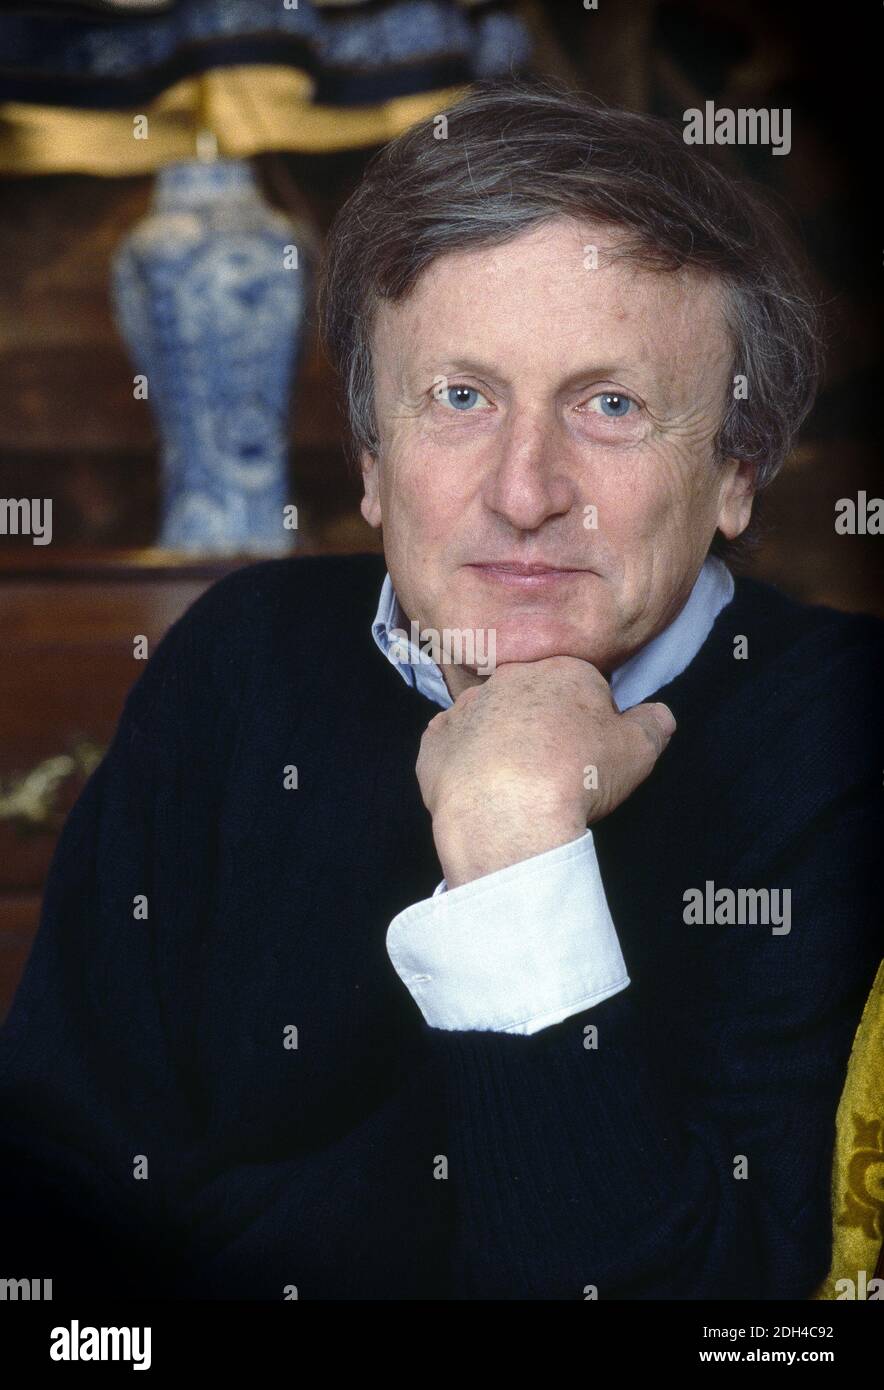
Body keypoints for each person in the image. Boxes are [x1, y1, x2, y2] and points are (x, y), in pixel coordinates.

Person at [1, 77, 881, 1301]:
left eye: (610, 405)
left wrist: (518, 845)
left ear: (736, 471)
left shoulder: (841, 738)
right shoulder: (238, 660)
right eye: (459, 398)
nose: (524, 491)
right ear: (371, 458)